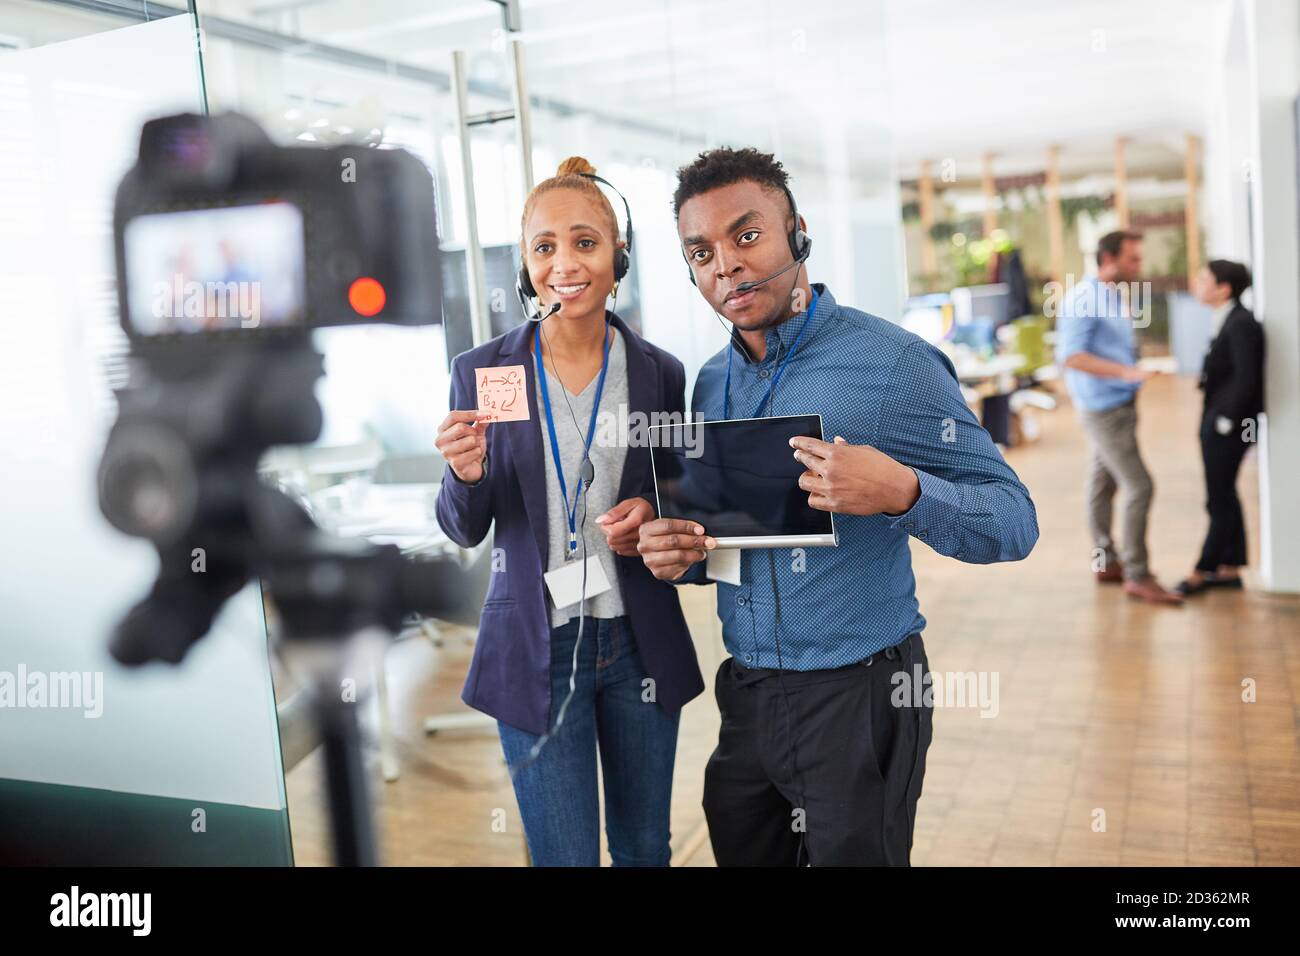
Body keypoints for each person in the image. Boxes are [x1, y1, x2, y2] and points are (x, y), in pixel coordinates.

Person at [633, 147, 1039, 866]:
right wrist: (682, 557)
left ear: (799, 233)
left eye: (746, 235)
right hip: (749, 697)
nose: (724, 264)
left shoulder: (894, 365)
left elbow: (1014, 521)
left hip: (862, 697)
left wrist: (902, 493)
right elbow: (731, 548)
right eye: (701, 251)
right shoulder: (710, 383)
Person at [434, 157, 704, 866]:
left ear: (619, 255)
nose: (564, 264)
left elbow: (678, 493)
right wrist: (464, 474)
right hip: (536, 648)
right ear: (526, 266)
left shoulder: (657, 372)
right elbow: (467, 526)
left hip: (636, 639)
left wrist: (652, 508)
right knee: (565, 856)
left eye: (585, 242)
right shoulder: (491, 371)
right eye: (543, 247)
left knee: (645, 847)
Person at [1055, 230, 1182, 605]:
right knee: (1140, 486)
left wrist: (1132, 368)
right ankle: (1138, 574)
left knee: (1102, 483)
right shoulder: (1083, 298)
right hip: (1104, 408)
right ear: (1108, 259)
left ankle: (1106, 560)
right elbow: (1071, 357)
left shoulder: (1110, 294)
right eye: (1133, 259)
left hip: (1118, 404)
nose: (1139, 266)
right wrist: (1124, 373)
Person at [1176, 259, 1264, 596]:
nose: (1197, 284)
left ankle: (1204, 569)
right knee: (1225, 493)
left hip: (1229, 425)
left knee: (1219, 497)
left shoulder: (1240, 323)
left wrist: (1225, 421)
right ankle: (1230, 567)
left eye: (1204, 279)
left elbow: (1247, 378)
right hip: (1220, 420)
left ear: (1223, 288)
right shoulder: (1227, 318)